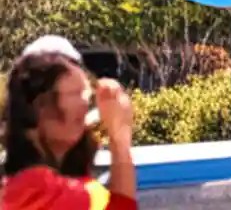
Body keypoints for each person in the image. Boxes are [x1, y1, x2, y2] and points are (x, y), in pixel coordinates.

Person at [1, 36, 136, 210]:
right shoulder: (38, 189)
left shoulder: (24, 185)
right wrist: (120, 141)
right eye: (74, 93)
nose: (85, 102)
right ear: (35, 108)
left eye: (85, 93)